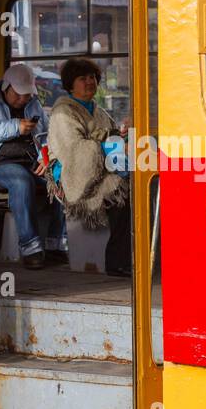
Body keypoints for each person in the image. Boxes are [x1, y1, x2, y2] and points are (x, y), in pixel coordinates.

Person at [0, 63, 65, 269]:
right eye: (18, 94)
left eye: (26, 94)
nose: (23, 99)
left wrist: (47, 156)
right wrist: (15, 127)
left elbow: (48, 134)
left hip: (32, 161)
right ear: (6, 87)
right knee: (20, 180)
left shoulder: (33, 104)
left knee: (61, 177)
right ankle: (30, 247)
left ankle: (56, 243)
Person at [48, 57, 131, 277]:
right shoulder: (62, 113)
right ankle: (117, 262)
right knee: (122, 192)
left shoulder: (99, 111)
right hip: (74, 176)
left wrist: (120, 136)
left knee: (141, 184)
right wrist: (108, 145)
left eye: (93, 77)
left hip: (103, 169)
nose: (89, 82)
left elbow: (109, 139)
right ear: (70, 84)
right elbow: (74, 151)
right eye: (82, 78)